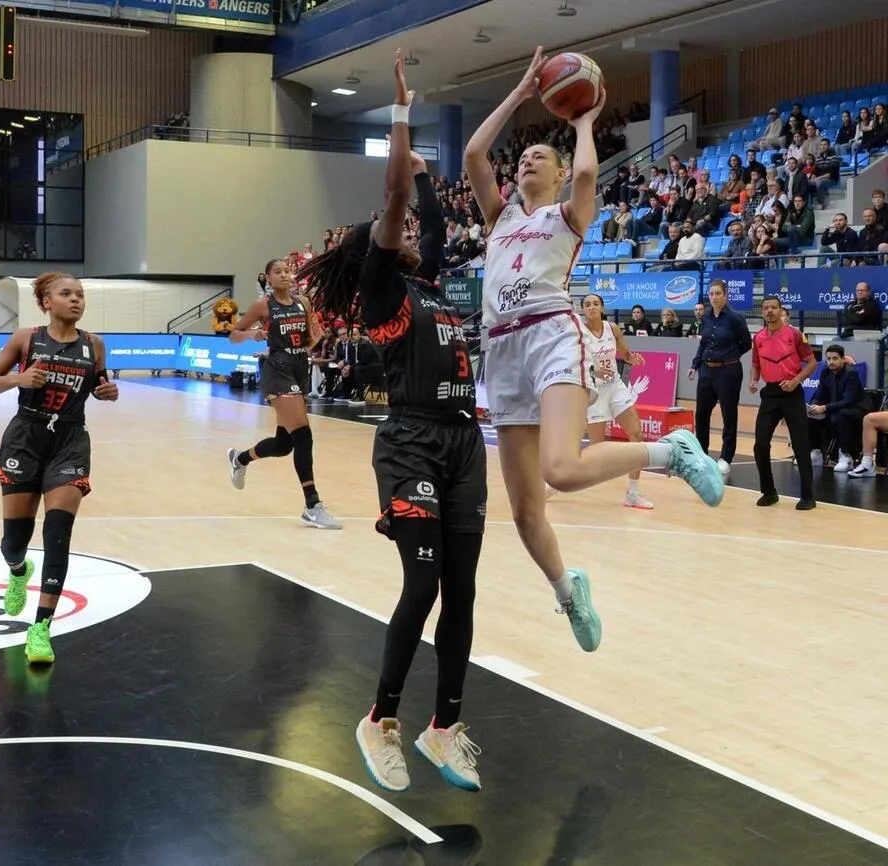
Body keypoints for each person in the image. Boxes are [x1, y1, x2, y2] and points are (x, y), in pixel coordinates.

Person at [463, 46, 723, 654]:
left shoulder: (568, 214)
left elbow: (585, 176)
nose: (528, 159)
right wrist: (521, 92)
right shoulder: (499, 218)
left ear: (555, 175)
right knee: (527, 513)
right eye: (524, 156)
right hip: (500, 355)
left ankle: (669, 453)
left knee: (562, 468)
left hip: (552, 335)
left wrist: (581, 124)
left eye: (540, 157)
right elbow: (476, 153)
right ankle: (567, 590)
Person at [298, 50, 486, 794]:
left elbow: (429, 209)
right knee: (424, 583)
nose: (410, 232)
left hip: (464, 440)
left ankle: (445, 726)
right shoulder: (381, 289)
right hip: (409, 440)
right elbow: (400, 199)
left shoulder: (432, 284)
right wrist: (403, 114)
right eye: (396, 227)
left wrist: (427, 168)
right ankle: (379, 718)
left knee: (464, 592)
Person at [0, 272, 119, 665]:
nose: (76, 300)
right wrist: (18, 378)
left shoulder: (94, 345)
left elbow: (101, 384)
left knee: (58, 531)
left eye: (80, 295)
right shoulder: (26, 338)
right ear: (46, 302)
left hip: (70, 442)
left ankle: (40, 628)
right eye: (66, 294)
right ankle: (18, 570)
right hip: (25, 437)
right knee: (14, 542)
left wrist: (107, 391)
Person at [226, 257, 342, 529]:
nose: (284, 274)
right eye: (277, 272)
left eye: (287, 270)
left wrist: (317, 336)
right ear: (268, 278)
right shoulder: (263, 306)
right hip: (277, 369)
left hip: (300, 366)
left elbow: (309, 340)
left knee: (284, 445)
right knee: (303, 433)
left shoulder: (304, 303)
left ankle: (240, 459)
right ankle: (312, 505)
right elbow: (234, 334)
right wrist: (251, 334)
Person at [581, 294, 653, 509]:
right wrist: (594, 370)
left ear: (602, 307)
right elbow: (575, 362)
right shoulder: (579, 332)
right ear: (583, 309)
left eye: (595, 303)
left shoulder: (613, 328)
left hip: (615, 387)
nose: (592, 307)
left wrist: (633, 358)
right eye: (587, 304)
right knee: (596, 448)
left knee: (636, 435)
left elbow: (625, 354)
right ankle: (558, 480)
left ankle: (632, 493)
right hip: (594, 391)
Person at [749, 295, 817, 509]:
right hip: (770, 394)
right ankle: (769, 492)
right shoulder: (758, 337)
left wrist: (796, 380)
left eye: (773, 308)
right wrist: (753, 379)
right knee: (760, 443)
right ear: (762, 312)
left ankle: (808, 496)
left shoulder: (795, 335)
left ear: (781, 311)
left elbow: (812, 363)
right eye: (766, 308)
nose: (769, 311)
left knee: (800, 444)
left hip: (792, 392)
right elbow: (755, 364)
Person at [689, 280, 753, 476]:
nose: (714, 297)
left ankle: (726, 457)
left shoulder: (735, 318)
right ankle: (701, 453)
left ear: (725, 295)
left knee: (728, 414)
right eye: (711, 294)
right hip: (706, 371)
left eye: (718, 293)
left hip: (729, 372)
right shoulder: (706, 317)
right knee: (701, 414)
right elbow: (704, 344)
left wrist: (729, 356)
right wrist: (695, 365)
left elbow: (746, 344)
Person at [807, 343, 866, 472]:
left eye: (835, 358)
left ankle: (845, 455)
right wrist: (814, 405)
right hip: (833, 408)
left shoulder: (851, 374)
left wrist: (825, 407)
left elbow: (848, 401)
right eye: (828, 359)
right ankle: (816, 452)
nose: (831, 362)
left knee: (843, 413)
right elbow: (820, 394)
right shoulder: (825, 372)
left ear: (843, 359)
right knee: (812, 413)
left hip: (855, 409)